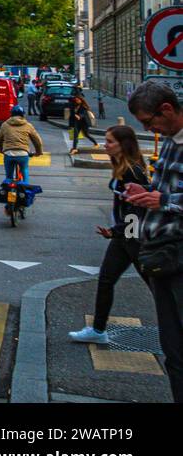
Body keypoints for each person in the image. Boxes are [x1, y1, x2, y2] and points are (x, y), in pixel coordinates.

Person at [69, 124, 151, 344]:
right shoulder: (122, 167)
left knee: (158, 287)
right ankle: (98, 331)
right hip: (124, 236)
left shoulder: (132, 171)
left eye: (110, 142)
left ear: (124, 144)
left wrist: (119, 232)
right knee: (106, 279)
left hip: (134, 238)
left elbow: (137, 208)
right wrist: (117, 233)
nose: (105, 145)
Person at [127, 81, 183, 402]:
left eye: (149, 123)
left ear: (166, 109)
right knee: (174, 354)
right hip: (161, 258)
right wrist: (144, 193)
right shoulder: (172, 142)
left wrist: (162, 200)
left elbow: (167, 198)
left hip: (179, 258)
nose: (150, 129)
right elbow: (163, 190)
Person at [0, 105, 43, 187]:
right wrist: (38, 152)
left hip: (9, 153)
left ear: (11, 114)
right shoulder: (28, 125)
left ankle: (8, 189)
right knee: (24, 169)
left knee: (9, 176)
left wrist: (0, 150)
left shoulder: (5, 125)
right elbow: (37, 141)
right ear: (23, 115)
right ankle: (25, 187)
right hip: (23, 154)